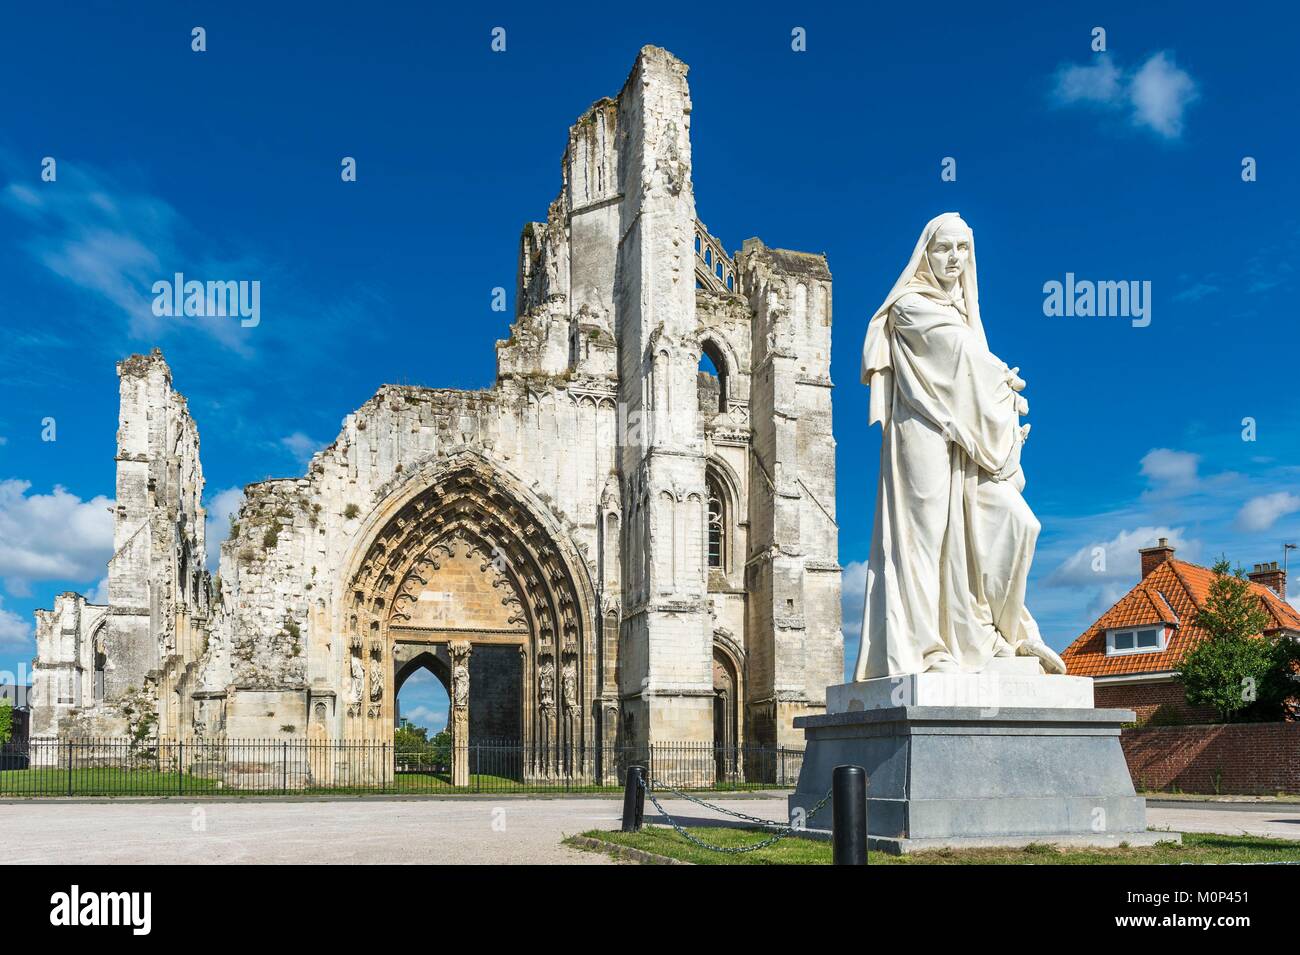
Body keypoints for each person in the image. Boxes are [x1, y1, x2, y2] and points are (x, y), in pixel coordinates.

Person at [854, 212, 1066, 680]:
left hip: (966, 438)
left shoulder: (965, 312)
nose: (953, 258)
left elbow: (970, 361)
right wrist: (1002, 380)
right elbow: (956, 359)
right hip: (923, 430)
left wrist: (999, 392)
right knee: (922, 536)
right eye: (943, 248)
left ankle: (992, 635)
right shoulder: (911, 305)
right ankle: (927, 648)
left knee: (1010, 524)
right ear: (925, 252)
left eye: (963, 249)